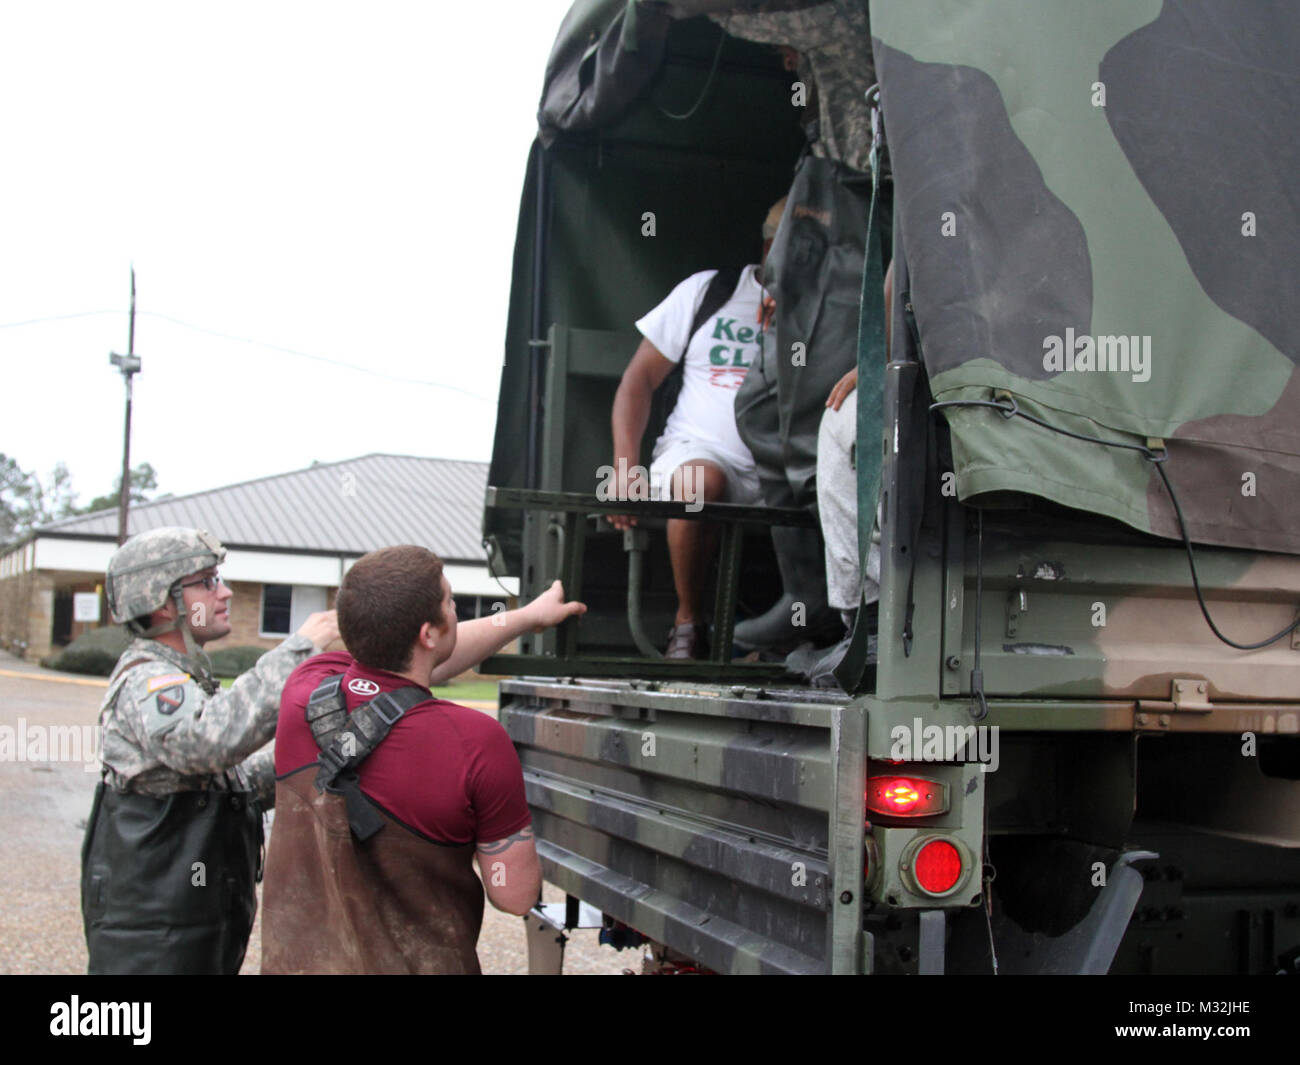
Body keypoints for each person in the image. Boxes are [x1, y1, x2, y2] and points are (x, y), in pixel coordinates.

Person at [260, 545, 587, 974]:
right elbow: (514, 895)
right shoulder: (476, 741)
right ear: (429, 634)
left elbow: (403, 666)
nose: (456, 612)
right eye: (450, 603)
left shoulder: (303, 689)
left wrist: (526, 617)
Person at [81, 525, 339, 974]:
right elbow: (208, 744)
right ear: (163, 603)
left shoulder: (185, 679)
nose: (225, 592)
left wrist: (324, 746)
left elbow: (230, 783)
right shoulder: (149, 680)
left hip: (188, 934)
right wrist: (300, 651)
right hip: (153, 947)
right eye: (206, 582)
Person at [608, 200, 784, 658]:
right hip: (702, 452)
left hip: (787, 468)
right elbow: (638, 380)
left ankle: (812, 628)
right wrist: (625, 470)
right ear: (770, 246)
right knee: (699, 483)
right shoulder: (710, 291)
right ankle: (688, 623)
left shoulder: (827, 307)